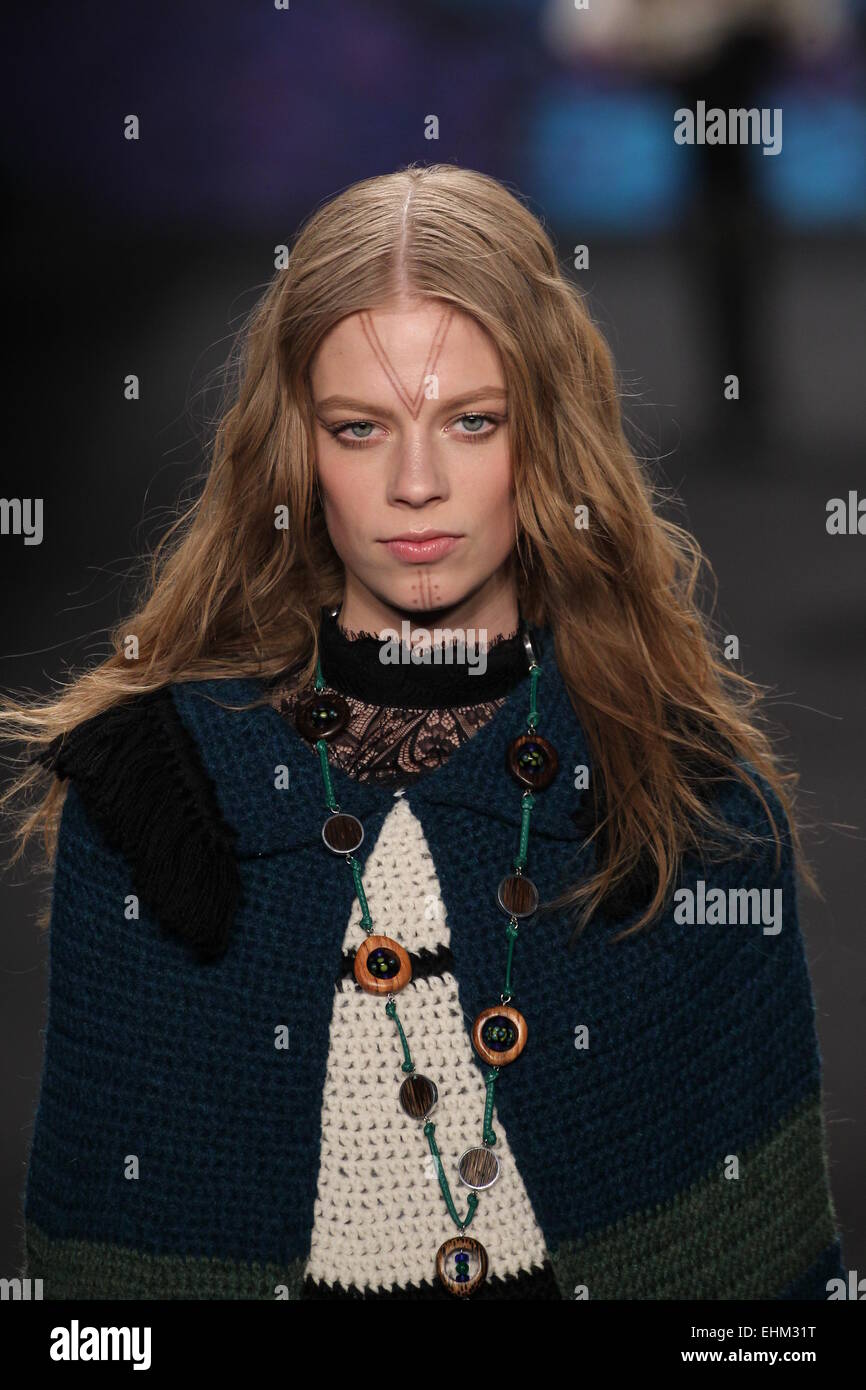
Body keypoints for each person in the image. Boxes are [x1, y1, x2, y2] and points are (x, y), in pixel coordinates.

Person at [1, 163, 846, 1300]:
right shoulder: (154, 798)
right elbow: (100, 1301)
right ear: (296, 452)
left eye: (471, 422)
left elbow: (759, 1309)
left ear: (545, 439)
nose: (414, 484)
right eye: (359, 429)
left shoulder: (690, 813)